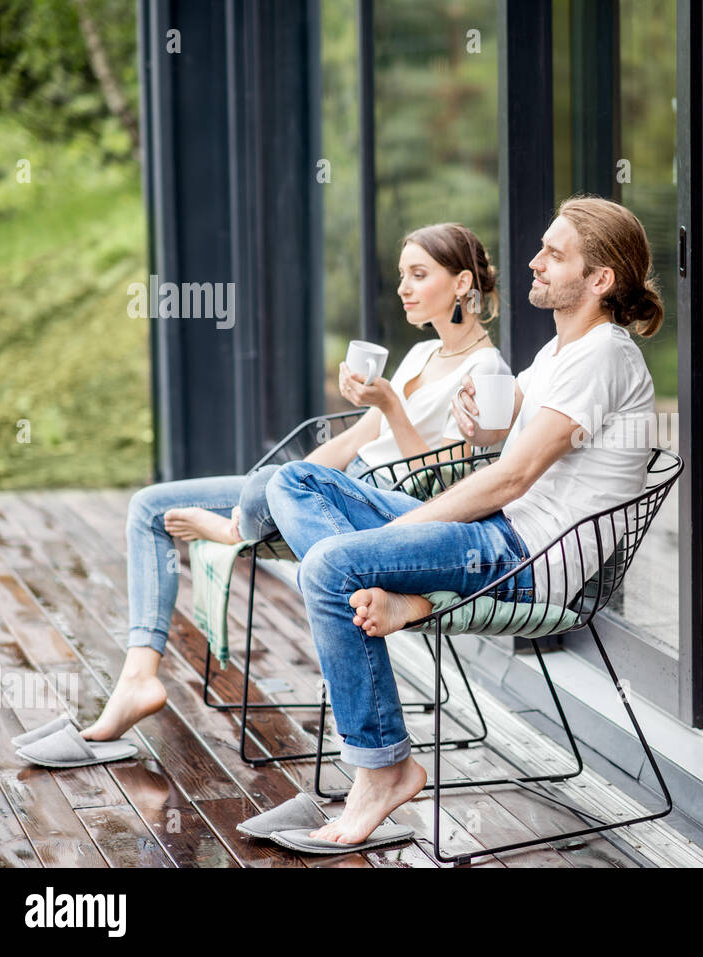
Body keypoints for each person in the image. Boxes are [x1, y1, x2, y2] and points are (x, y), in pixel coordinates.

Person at [263, 196, 664, 846]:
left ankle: (385, 767)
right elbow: (506, 433)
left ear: (600, 280)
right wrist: (488, 422)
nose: (533, 262)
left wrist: (396, 535)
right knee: (302, 480)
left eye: (555, 254)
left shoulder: (604, 356)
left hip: (522, 557)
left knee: (331, 565)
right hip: (491, 534)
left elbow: (512, 476)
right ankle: (394, 597)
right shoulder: (563, 352)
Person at [79, 223, 508, 744]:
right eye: (402, 275)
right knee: (151, 506)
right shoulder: (422, 355)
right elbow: (351, 445)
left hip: (380, 511)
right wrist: (283, 474)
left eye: (419, 275)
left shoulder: (488, 372)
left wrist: (390, 405)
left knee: (273, 486)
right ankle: (138, 677)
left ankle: (231, 529)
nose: (403, 288)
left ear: (462, 283)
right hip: (332, 487)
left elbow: (442, 484)